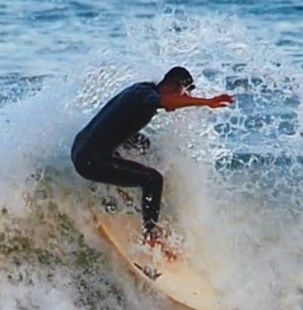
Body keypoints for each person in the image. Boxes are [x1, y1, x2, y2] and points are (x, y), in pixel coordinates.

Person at [71, 66, 234, 243]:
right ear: (173, 86)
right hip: (90, 162)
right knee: (153, 180)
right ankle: (151, 236)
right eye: (183, 94)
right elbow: (168, 102)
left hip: (79, 147)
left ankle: (119, 196)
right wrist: (208, 102)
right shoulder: (148, 98)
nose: (183, 99)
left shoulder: (140, 89)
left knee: (142, 143)